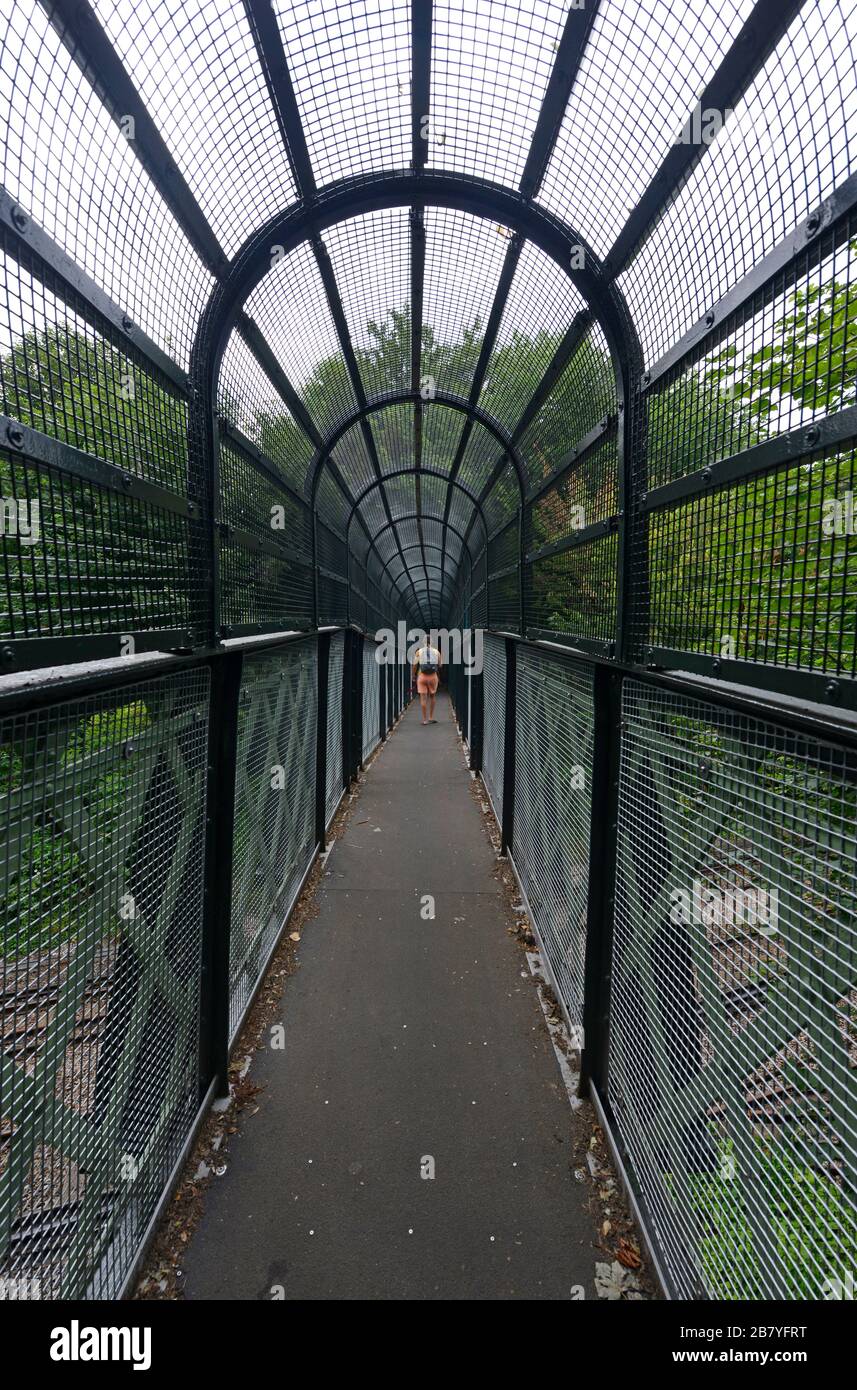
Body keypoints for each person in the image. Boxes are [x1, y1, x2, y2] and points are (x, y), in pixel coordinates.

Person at [412, 639, 441, 724]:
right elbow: (440, 665)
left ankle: (425, 720)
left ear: (423, 643)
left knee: (423, 698)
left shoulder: (419, 652)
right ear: (432, 642)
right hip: (433, 677)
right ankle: (431, 717)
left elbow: (414, 665)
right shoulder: (436, 652)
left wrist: (413, 675)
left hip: (422, 676)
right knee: (432, 696)